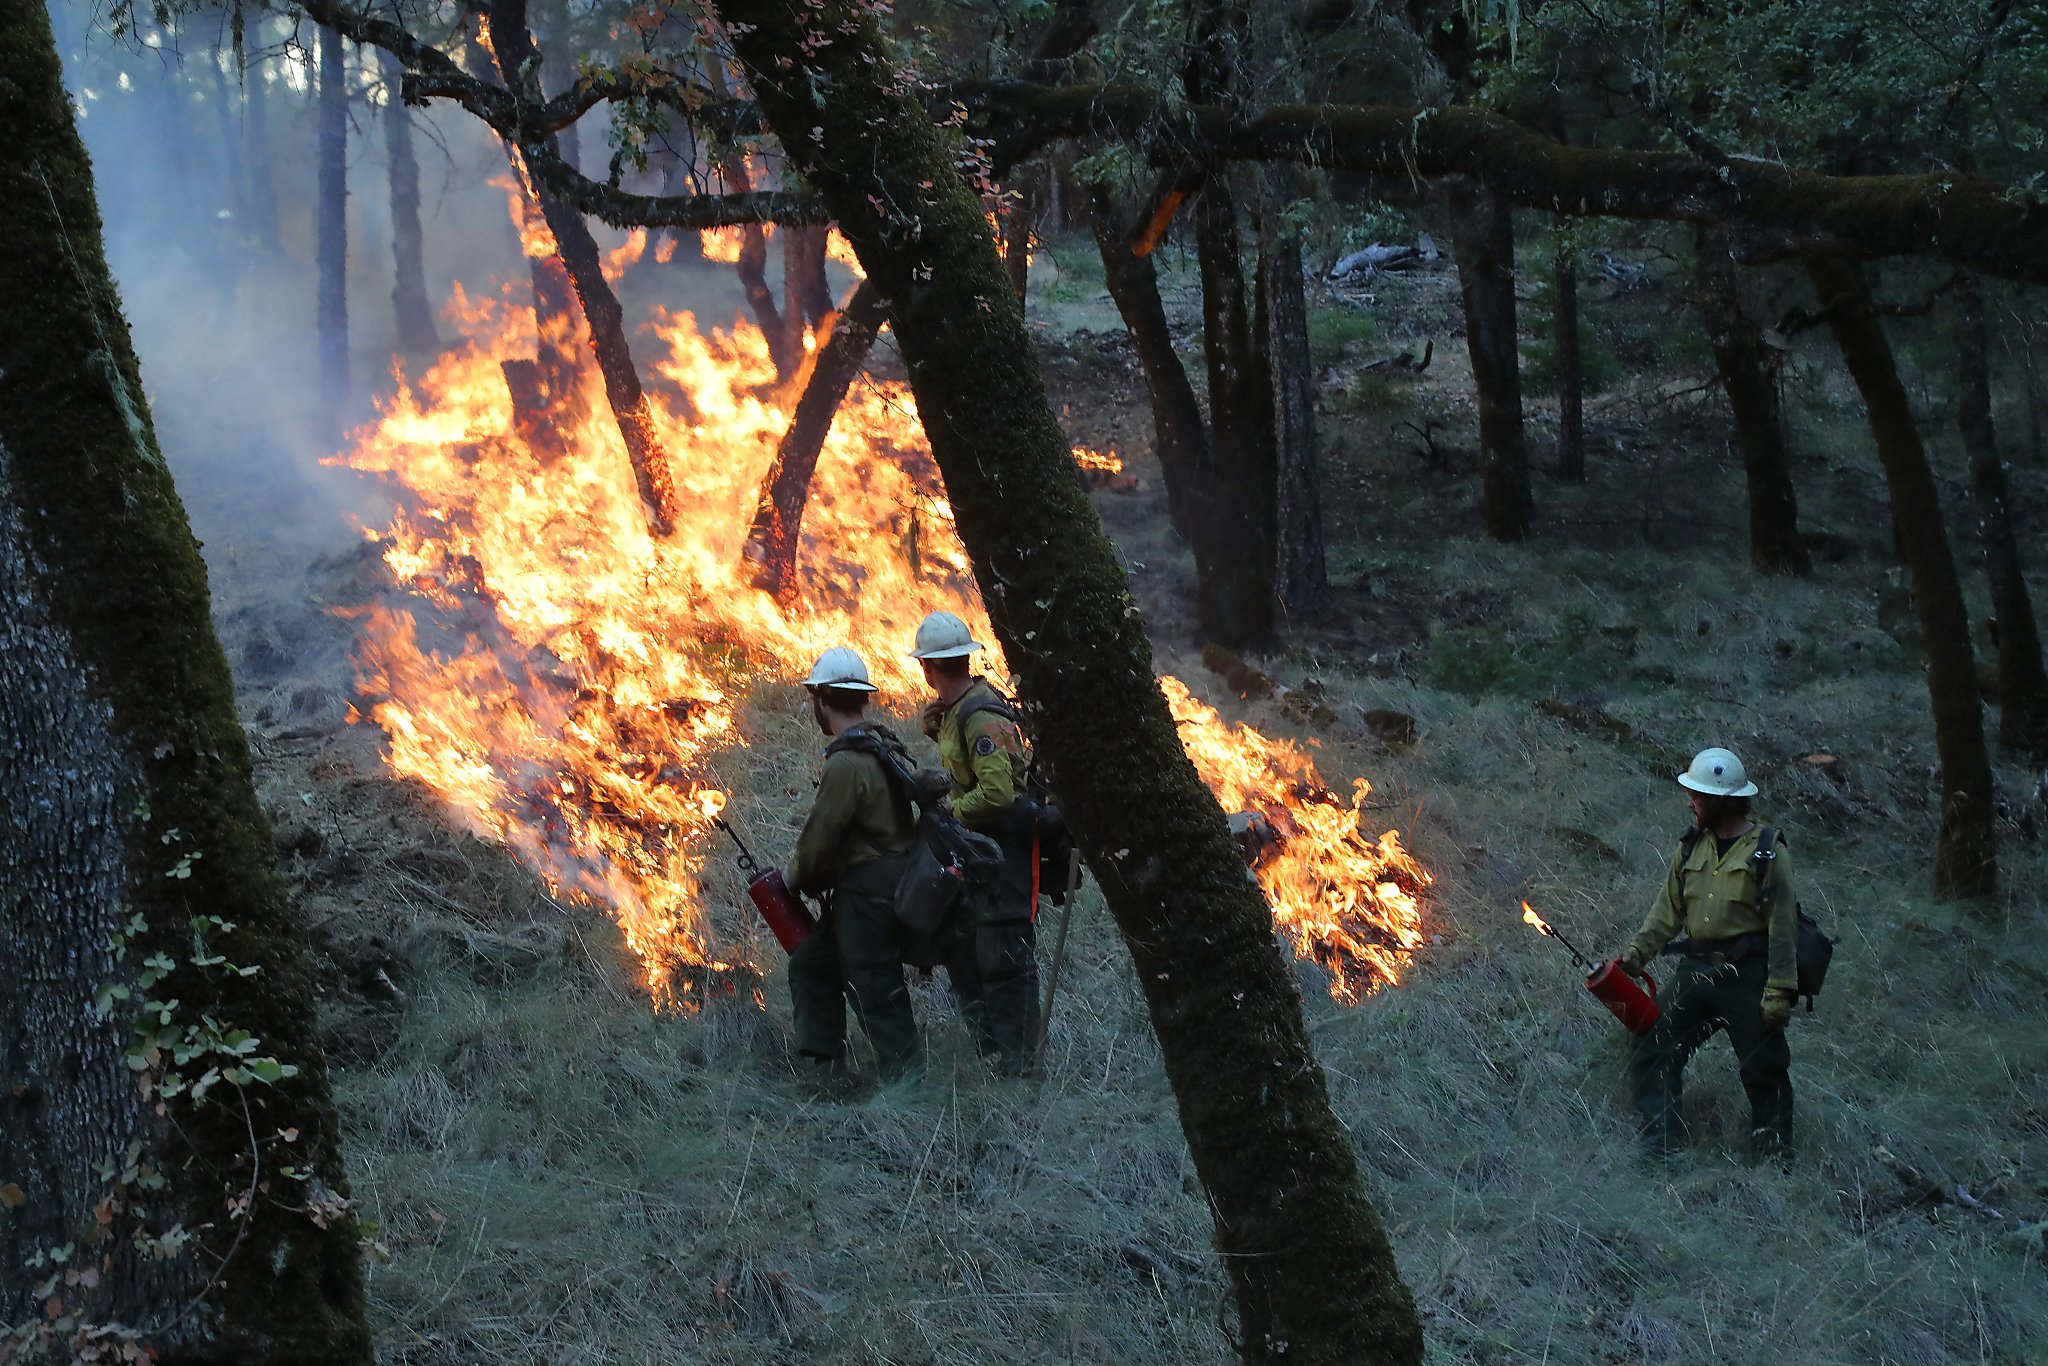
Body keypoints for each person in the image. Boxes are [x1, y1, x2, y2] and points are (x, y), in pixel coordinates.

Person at [1616, 746, 1799, 1161]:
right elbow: (1667, 912)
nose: (1690, 802)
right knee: (1652, 1044)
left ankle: (1773, 1159)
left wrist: (1780, 991)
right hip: (1695, 972)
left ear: (1721, 801)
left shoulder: (1768, 851)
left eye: (1698, 797)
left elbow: (1783, 926)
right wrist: (1636, 953)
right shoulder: (1690, 848)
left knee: (1764, 1068)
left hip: (1748, 975)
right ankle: (1662, 1146)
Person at [908, 610, 1040, 1075]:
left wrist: (949, 815)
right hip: (981, 858)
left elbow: (999, 793)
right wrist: (938, 731)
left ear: (928, 666)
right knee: (967, 957)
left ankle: (1022, 1067)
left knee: (1006, 962)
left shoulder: (981, 716)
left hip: (1003, 859)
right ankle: (993, 1056)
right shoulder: (958, 711)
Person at [781, 646, 920, 1081]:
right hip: (882, 888)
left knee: (875, 992)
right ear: (861, 697)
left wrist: (792, 880)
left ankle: (908, 1086)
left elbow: (820, 837)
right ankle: (826, 1073)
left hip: (869, 899)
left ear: (822, 699)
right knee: (812, 963)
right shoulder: (880, 745)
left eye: (814, 700)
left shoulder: (847, 763)